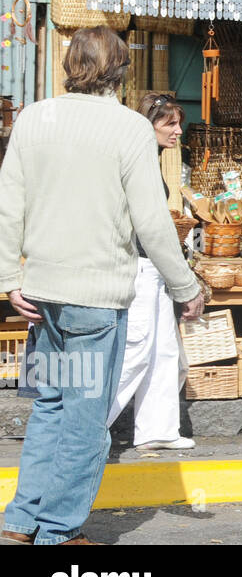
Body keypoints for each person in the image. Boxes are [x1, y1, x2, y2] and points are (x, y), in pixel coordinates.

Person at [0, 28, 203, 545]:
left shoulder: (32, 119)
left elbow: (8, 208)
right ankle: (60, 532)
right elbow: (153, 223)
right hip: (94, 299)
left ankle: (23, 520)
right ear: (119, 70)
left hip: (41, 294)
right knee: (86, 420)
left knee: (49, 407)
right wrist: (186, 286)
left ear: (72, 65)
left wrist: (8, 278)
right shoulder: (129, 128)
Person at [107, 94, 196, 451]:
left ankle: (158, 429)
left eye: (178, 124)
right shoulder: (136, 161)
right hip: (139, 268)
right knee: (136, 351)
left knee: (164, 352)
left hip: (154, 268)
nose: (177, 132)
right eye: (169, 124)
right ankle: (90, 428)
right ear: (149, 125)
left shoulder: (152, 161)